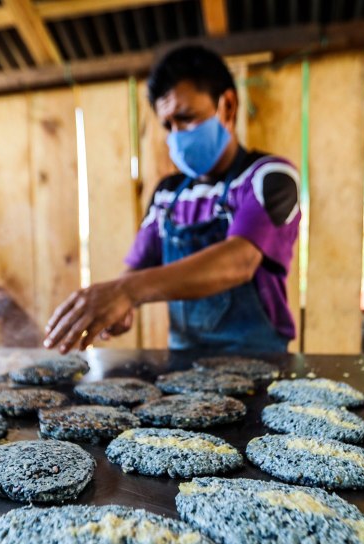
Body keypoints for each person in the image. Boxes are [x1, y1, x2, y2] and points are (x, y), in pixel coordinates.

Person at [43, 45, 300, 354]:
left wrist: (127, 292)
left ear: (228, 106)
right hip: (183, 364)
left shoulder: (269, 177)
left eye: (187, 118)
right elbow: (138, 265)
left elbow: (239, 261)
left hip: (259, 360)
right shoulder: (167, 194)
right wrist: (118, 304)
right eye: (168, 126)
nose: (176, 135)